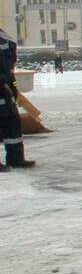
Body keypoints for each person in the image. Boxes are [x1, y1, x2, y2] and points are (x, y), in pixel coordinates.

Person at [0, 25, 33, 172]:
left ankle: (16, 158)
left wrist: (12, 86)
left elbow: (9, 64)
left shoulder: (5, 38)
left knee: (12, 122)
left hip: (5, 88)